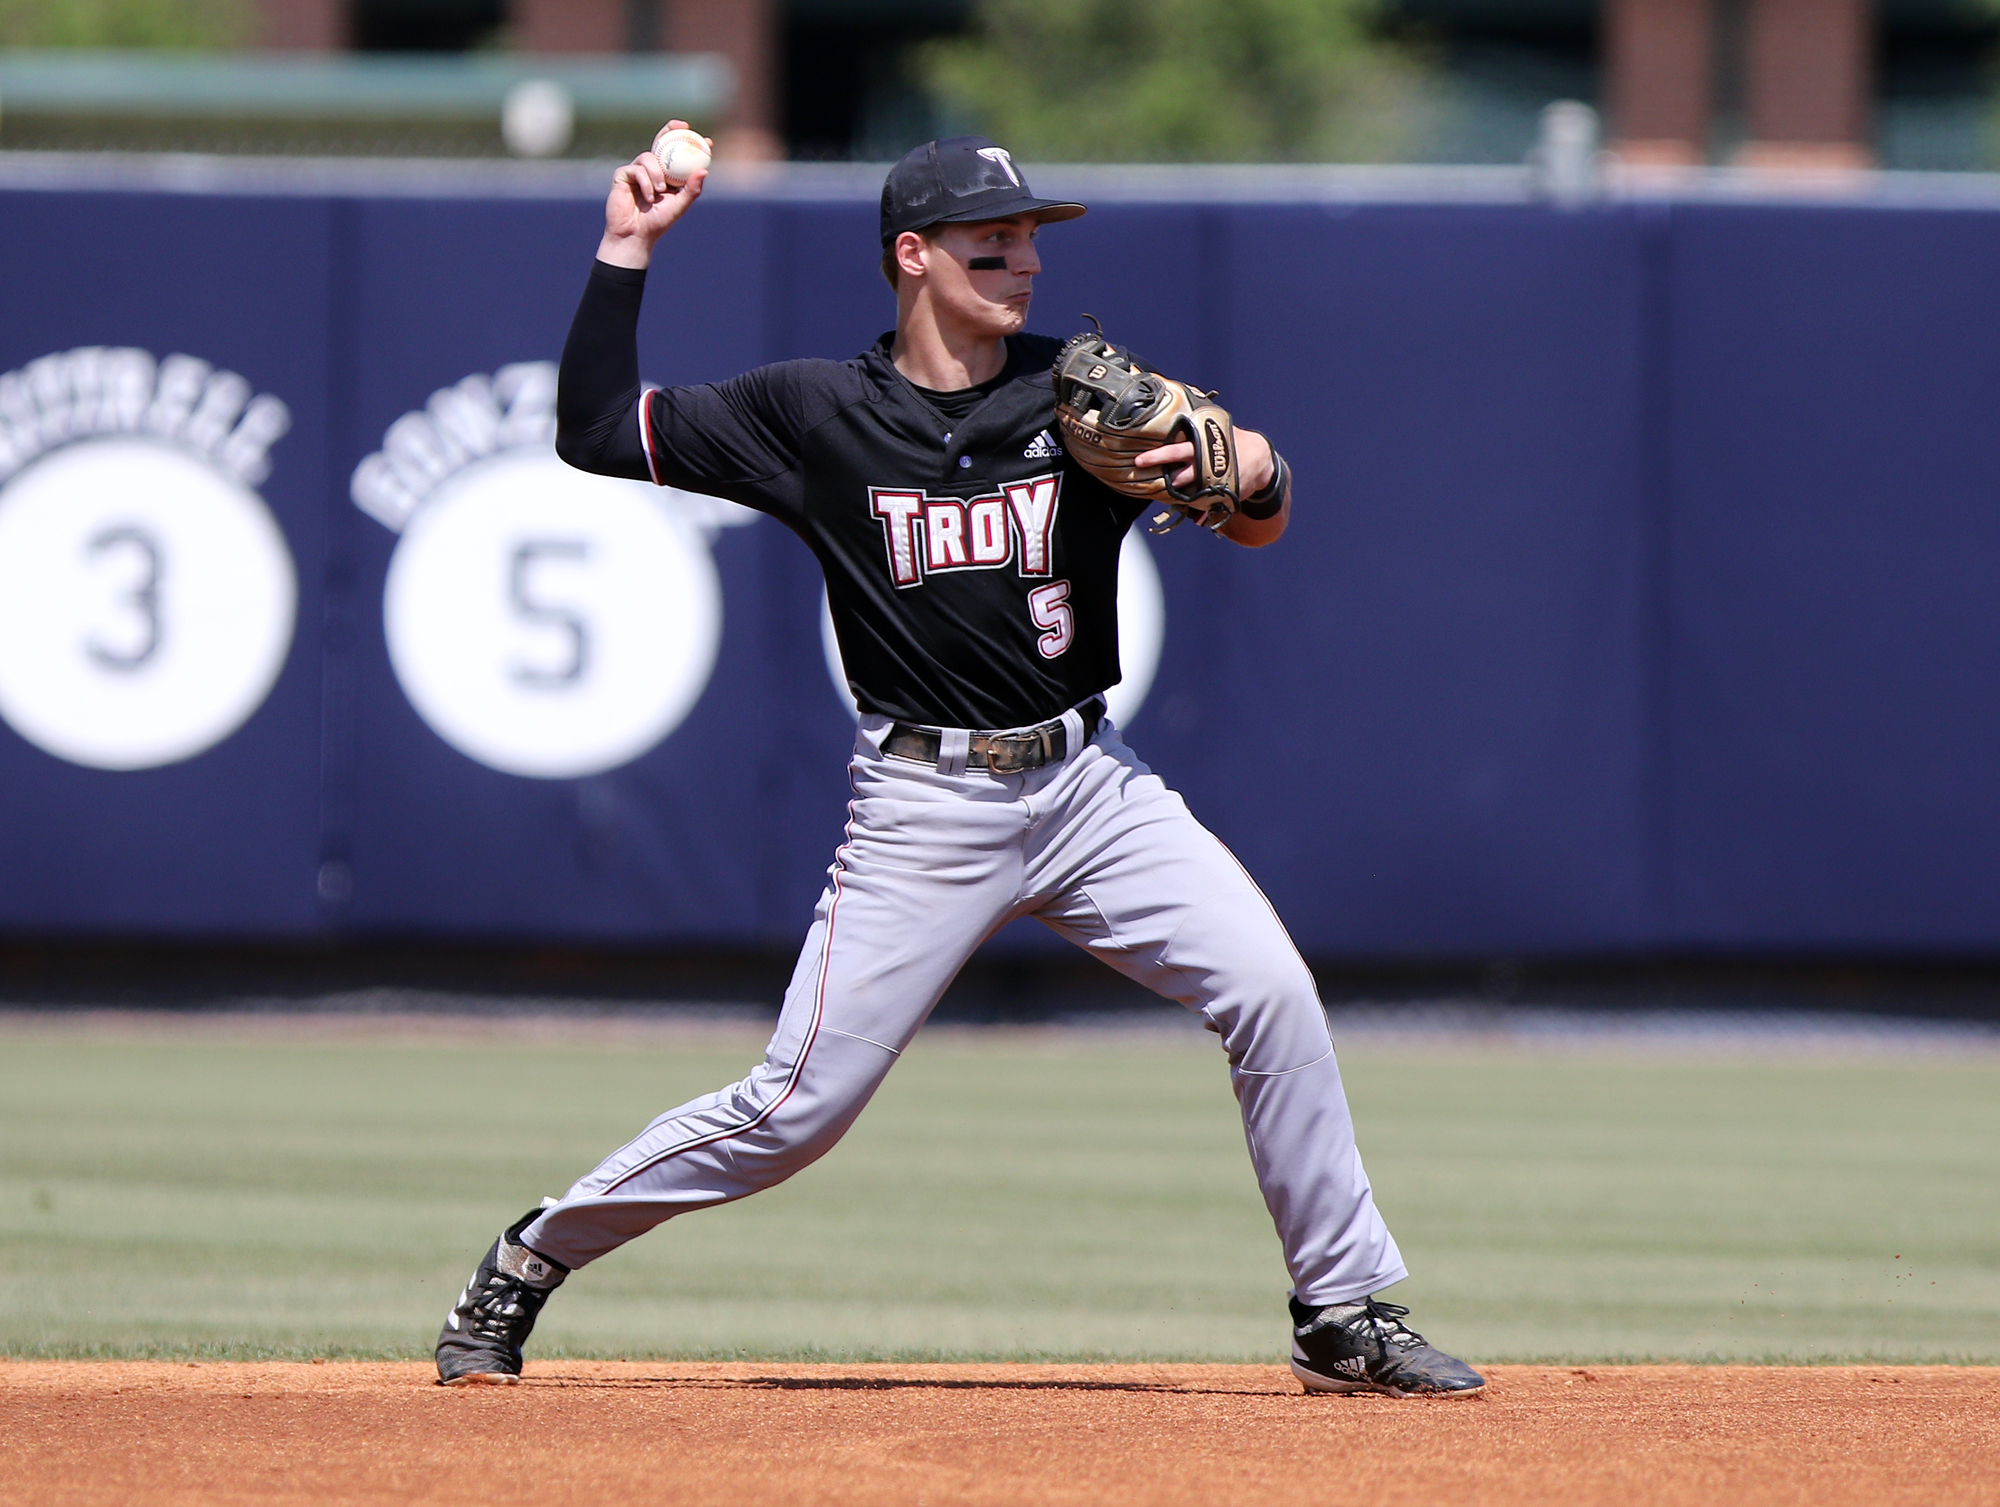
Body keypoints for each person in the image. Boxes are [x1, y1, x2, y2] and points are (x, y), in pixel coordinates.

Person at [434, 130, 1483, 1399]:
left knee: (1269, 989)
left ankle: (1340, 1305)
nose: (1024, 258)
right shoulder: (813, 413)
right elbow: (597, 429)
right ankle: (529, 1257)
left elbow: (1255, 516)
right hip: (924, 802)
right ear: (911, 254)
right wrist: (624, 251)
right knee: (792, 1112)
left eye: (1033, 235)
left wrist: (1252, 468)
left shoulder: (1072, 396)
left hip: (1092, 787)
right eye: (993, 236)